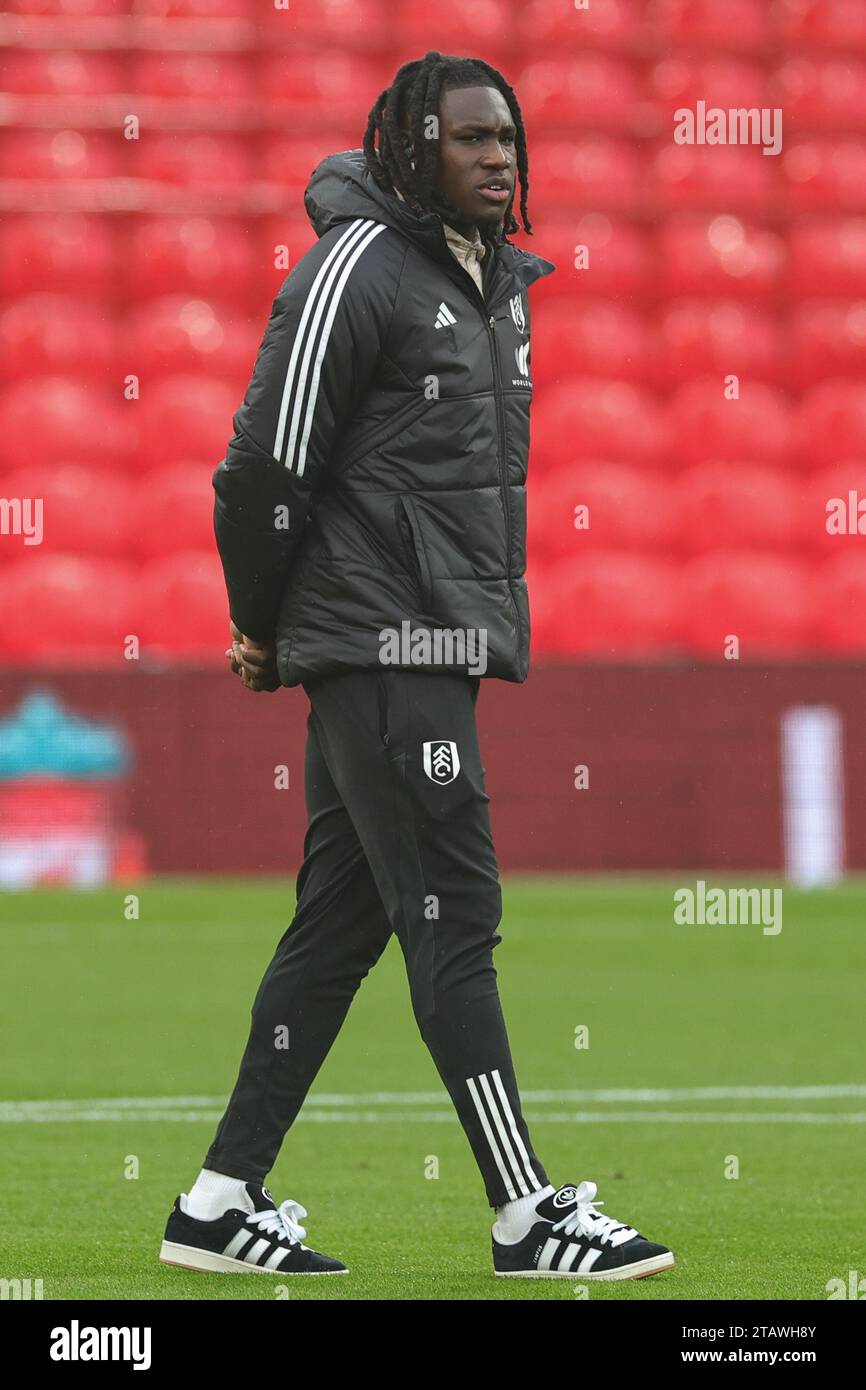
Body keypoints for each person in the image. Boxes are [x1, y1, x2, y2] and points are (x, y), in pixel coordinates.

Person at [159, 50, 674, 1282]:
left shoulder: (495, 279)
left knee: (342, 924)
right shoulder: (353, 269)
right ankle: (524, 1213)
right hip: (379, 638)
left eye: (507, 137)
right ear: (407, 148)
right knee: (456, 911)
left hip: (431, 640)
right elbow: (262, 471)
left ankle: (216, 1203)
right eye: (467, 138)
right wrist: (260, 620)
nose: (497, 156)